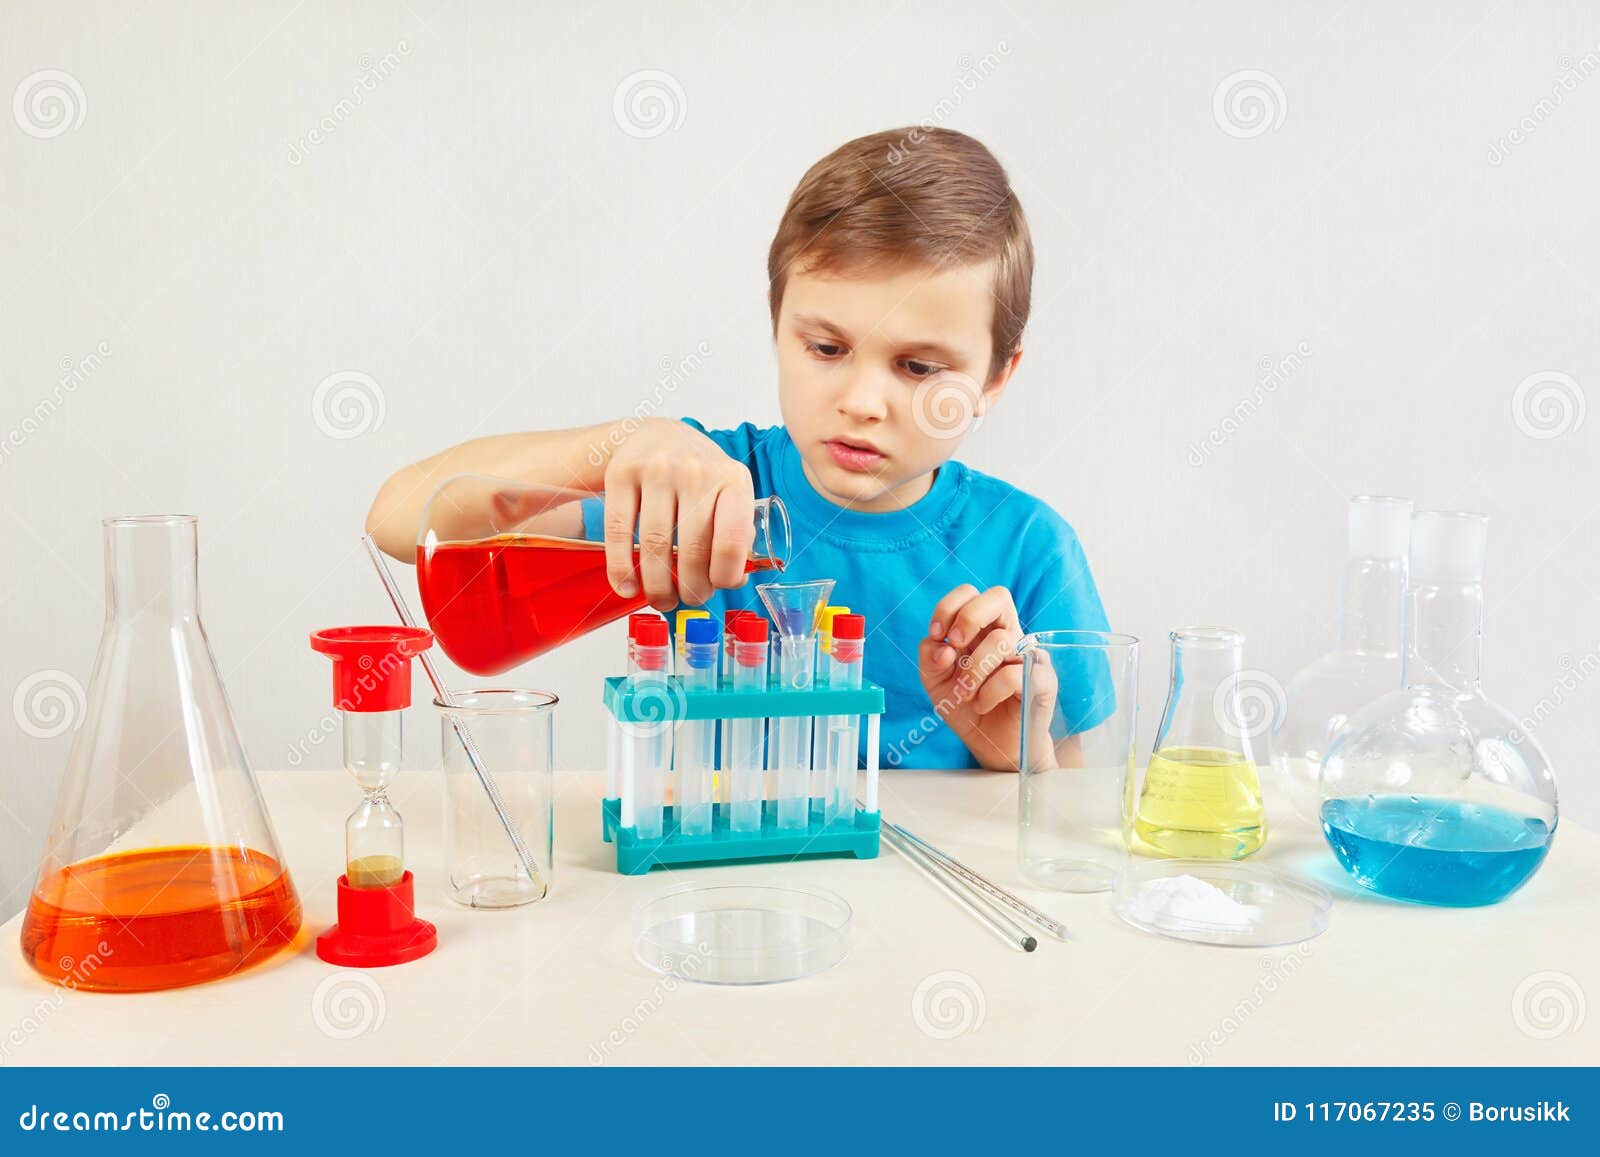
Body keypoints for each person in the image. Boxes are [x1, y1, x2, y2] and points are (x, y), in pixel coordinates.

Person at [367, 127, 1110, 771]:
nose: (862, 401)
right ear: (777, 324)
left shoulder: (1030, 549)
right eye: (826, 347)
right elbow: (397, 519)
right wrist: (623, 444)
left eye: (917, 367)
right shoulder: (696, 491)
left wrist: (1018, 760)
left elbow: (1070, 807)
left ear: (995, 378)